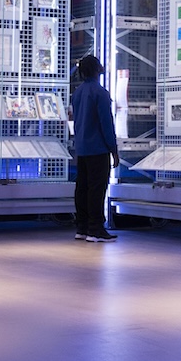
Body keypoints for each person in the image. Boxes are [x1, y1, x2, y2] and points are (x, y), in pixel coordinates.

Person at [69, 54, 119, 243]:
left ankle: (81, 226)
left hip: (82, 148)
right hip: (98, 148)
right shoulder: (100, 93)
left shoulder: (78, 93)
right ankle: (95, 228)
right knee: (97, 189)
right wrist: (113, 149)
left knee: (82, 187)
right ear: (98, 69)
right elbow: (106, 124)